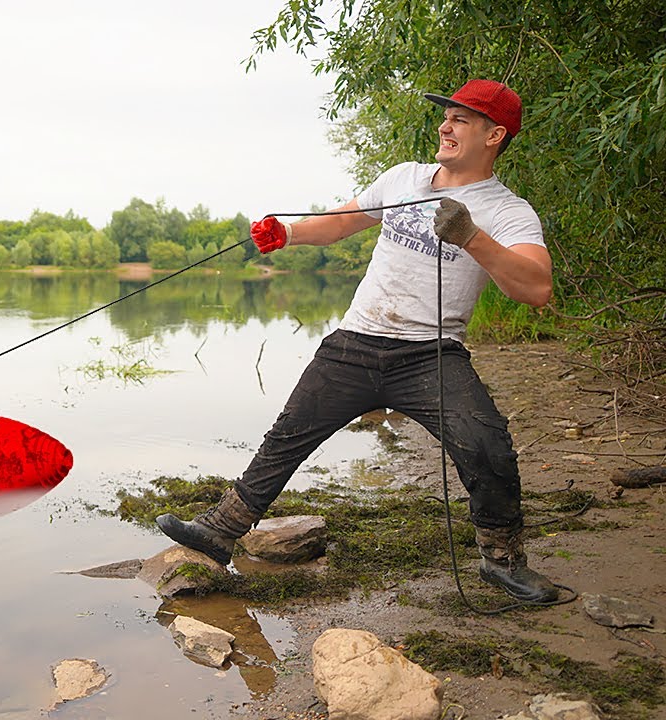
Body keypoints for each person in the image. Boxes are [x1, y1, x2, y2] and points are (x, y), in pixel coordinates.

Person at [156, 79, 560, 603]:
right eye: (446, 116)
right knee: (287, 437)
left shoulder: (507, 211)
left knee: (488, 447)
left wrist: (472, 237)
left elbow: (536, 288)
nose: (444, 126)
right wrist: (288, 233)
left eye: (460, 119)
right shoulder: (402, 179)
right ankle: (218, 531)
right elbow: (342, 221)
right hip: (356, 341)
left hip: (431, 355)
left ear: (495, 134)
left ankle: (501, 561)